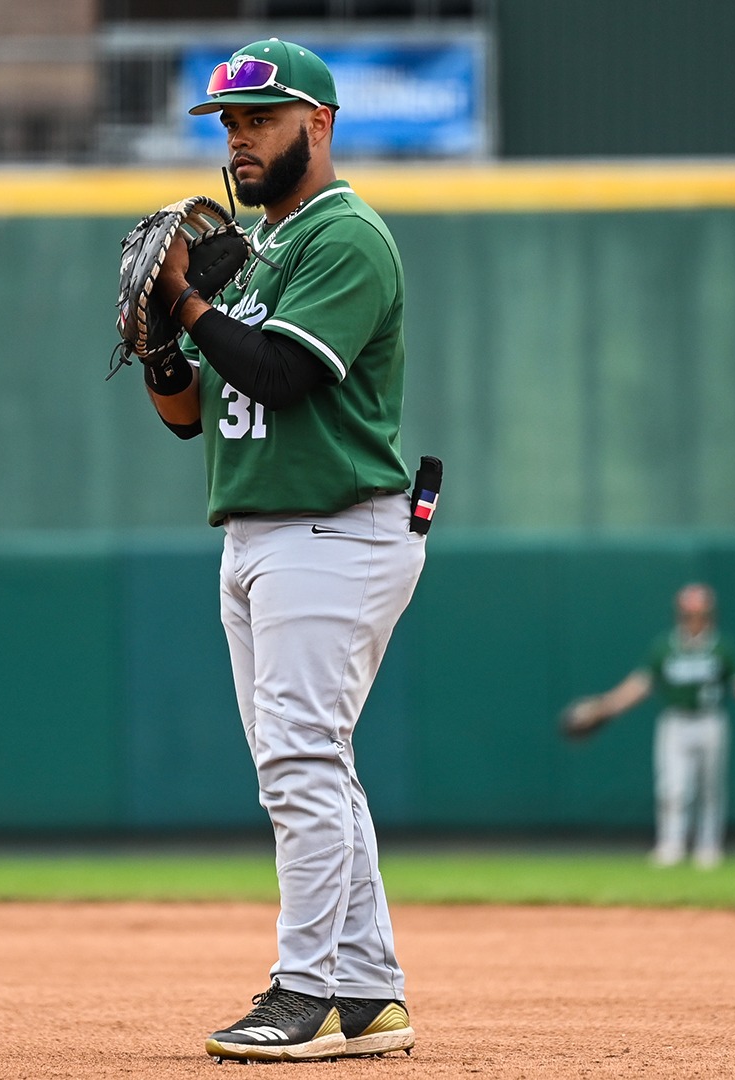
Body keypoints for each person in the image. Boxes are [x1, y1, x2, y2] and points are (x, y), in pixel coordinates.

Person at [138, 38, 422, 1063]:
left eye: (262, 117)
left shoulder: (348, 237)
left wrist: (187, 303)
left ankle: (302, 989)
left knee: (302, 763)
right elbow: (187, 417)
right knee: (305, 768)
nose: (240, 138)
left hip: (337, 527)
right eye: (229, 122)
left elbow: (283, 377)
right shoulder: (251, 253)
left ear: (321, 124)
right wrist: (168, 341)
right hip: (261, 530)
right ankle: (370, 990)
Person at [567, 583, 735, 868]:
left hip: (709, 720)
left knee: (709, 788)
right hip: (675, 721)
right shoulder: (665, 645)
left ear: (710, 614)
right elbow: (639, 686)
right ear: (679, 614)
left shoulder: (721, 646)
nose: (694, 618)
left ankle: (708, 848)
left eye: (700, 612)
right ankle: (671, 846)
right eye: (689, 613)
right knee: (672, 788)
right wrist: (604, 706)